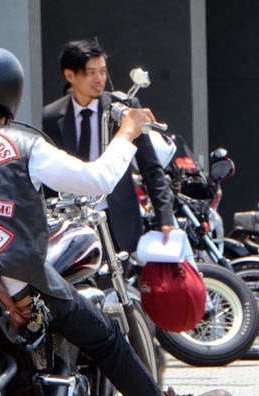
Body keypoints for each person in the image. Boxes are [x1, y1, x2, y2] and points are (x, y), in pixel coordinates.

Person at [0, 46, 233, 396]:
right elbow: (96, 180)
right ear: (13, 91)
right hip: (11, 276)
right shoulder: (27, 143)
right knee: (103, 333)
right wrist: (127, 133)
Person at [42, 39, 175, 251]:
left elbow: (150, 166)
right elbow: (50, 175)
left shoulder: (124, 109)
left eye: (103, 71)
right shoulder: (51, 116)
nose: (99, 79)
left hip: (119, 217)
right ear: (70, 75)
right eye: (91, 73)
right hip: (74, 221)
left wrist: (166, 218)